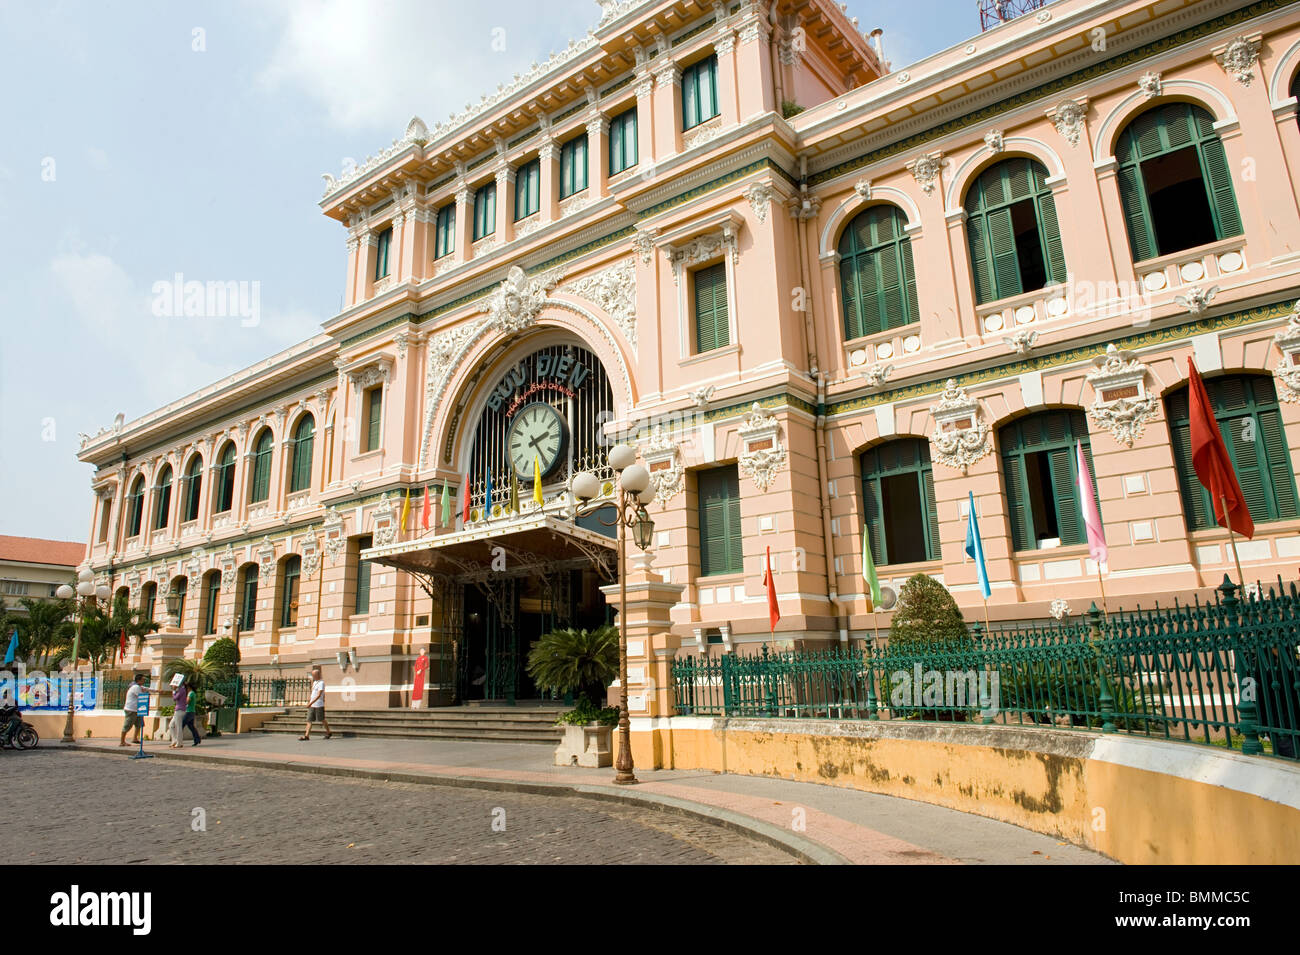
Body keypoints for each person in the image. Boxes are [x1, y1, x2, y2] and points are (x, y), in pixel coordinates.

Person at [299, 667, 331, 740]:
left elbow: (319, 694)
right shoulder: (314, 682)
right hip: (312, 704)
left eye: (314, 675)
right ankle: (306, 735)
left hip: (319, 704)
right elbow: (313, 693)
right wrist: (310, 701)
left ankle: (328, 732)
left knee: (322, 719)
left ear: (318, 675)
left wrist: (311, 703)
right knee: (309, 720)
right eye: (312, 675)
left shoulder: (321, 683)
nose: (313, 676)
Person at [119, 673, 147, 747]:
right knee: (127, 725)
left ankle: (135, 738)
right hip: (131, 709)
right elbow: (141, 696)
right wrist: (146, 693)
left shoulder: (139, 687)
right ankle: (122, 741)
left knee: (139, 724)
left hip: (137, 709)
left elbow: (146, 689)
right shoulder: (135, 687)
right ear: (139, 680)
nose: (144, 681)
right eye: (143, 679)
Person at [181, 680, 202, 746]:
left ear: (188, 687)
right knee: (191, 726)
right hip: (192, 711)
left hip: (189, 711)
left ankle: (178, 739)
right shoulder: (192, 693)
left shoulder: (191, 693)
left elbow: (187, 702)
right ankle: (197, 739)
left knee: (181, 725)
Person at [169, 680, 187, 749]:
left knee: (178, 726)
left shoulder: (181, 690)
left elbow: (175, 698)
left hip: (180, 710)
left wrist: (173, 691)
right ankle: (174, 740)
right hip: (178, 709)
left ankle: (179, 743)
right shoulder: (180, 690)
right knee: (171, 725)